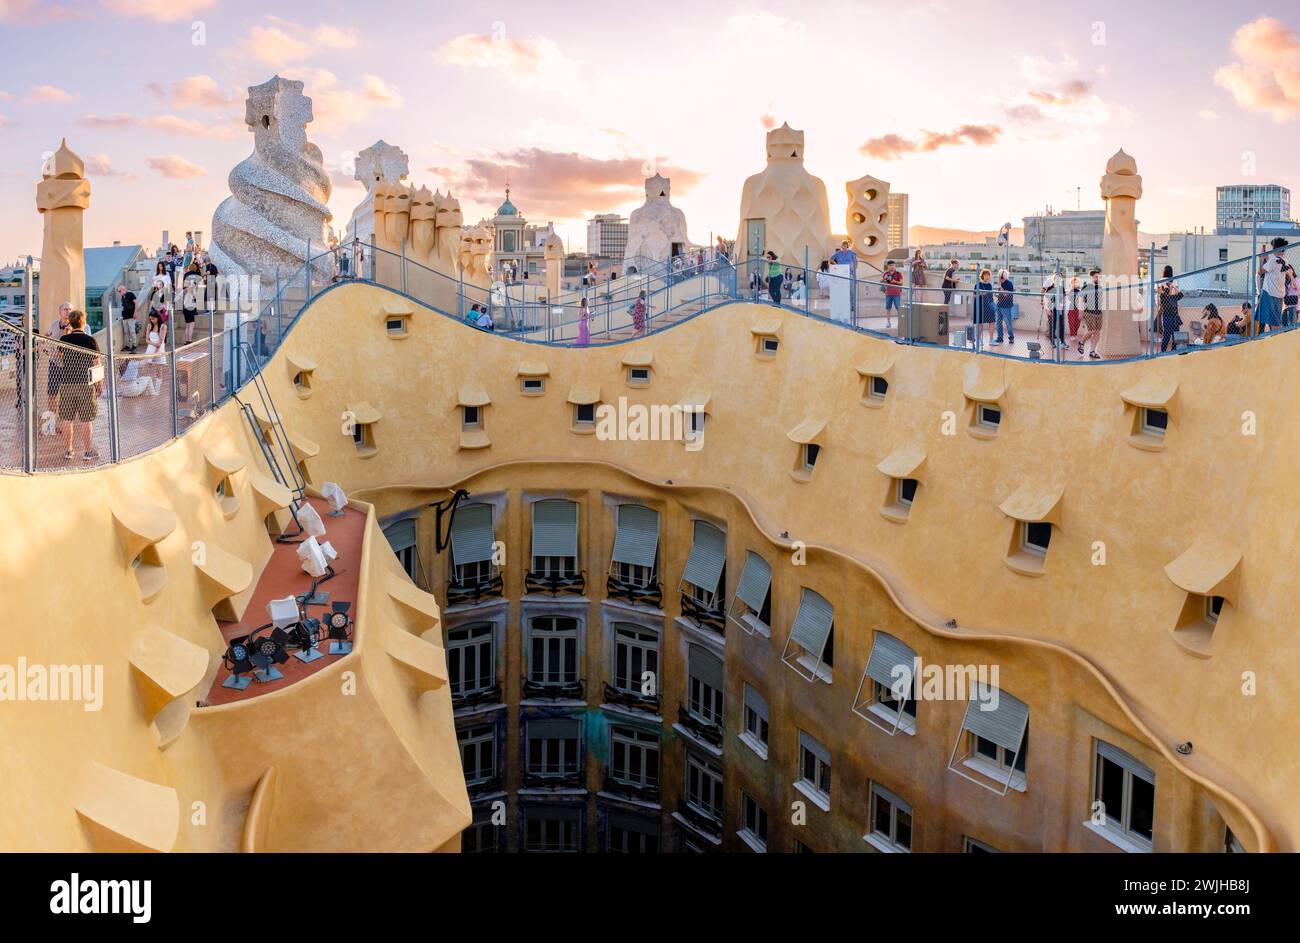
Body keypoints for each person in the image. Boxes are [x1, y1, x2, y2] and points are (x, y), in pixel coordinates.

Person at [57, 309, 101, 463]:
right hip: (85, 384)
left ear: (70, 321)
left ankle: (68, 450)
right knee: (86, 420)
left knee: (66, 419)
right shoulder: (90, 341)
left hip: (67, 383)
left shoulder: (63, 339)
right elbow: (96, 364)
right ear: (84, 322)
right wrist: (99, 384)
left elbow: (58, 358)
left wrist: (67, 334)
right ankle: (88, 451)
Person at [44, 301, 73, 432]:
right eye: (65, 309)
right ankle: (52, 424)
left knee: (68, 396)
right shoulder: (54, 324)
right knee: (52, 394)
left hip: (69, 366)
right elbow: (47, 334)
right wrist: (45, 341)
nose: (68, 311)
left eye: (70, 309)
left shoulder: (75, 325)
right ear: (60, 312)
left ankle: (66, 425)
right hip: (54, 364)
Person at [1255, 238, 1288, 335]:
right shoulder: (1285, 260)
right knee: (1276, 319)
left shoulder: (1273, 260)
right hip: (1279, 294)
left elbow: (1260, 271)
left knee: (1272, 321)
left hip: (1269, 293)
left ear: (1276, 248)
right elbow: (1274, 266)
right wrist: (1267, 257)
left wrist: (1261, 259)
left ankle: (1276, 340)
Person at [1157, 265, 1184, 352]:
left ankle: (1170, 350)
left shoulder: (1171, 296)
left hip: (1171, 314)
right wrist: (1169, 286)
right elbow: (1162, 293)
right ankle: (1166, 351)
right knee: (1169, 334)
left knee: (1172, 334)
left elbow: (1180, 295)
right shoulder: (1164, 294)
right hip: (1169, 314)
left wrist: (1173, 287)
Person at [1078, 268, 1103, 359]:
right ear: (1092, 277)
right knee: (1091, 330)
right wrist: (1081, 312)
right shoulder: (1087, 286)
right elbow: (1080, 299)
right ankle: (1082, 342)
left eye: (1099, 277)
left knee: (1097, 332)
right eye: (1096, 277)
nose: (1098, 278)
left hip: (1099, 313)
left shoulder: (1100, 287)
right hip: (1089, 312)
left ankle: (1092, 351)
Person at [1042, 275, 1065, 350]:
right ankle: (1052, 342)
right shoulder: (1050, 288)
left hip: (1059, 309)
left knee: (1061, 325)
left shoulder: (1062, 288)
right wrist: (1047, 309)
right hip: (1051, 309)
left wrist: (1063, 305)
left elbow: (1064, 298)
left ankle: (1062, 341)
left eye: (1060, 279)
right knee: (1052, 325)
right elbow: (1046, 299)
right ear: (1054, 280)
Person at [993, 268, 1015, 345]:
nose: (999, 279)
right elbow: (1001, 295)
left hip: (1006, 306)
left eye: (1001, 277)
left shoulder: (1009, 284)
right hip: (999, 305)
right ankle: (1000, 338)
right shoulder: (1001, 284)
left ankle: (1011, 338)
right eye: (999, 277)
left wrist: (1001, 288)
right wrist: (997, 294)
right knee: (998, 323)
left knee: (1008, 323)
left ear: (1005, 277)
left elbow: (1006, 295)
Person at [181, 261, 201, 344]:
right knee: (191, 323)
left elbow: (184, 288)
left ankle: (187, 340)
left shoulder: (185, 275)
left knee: (187, 324)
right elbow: (192, 288)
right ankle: (189, 340)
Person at [973, 268, 994, 345]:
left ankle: (991, 340)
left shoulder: (989, 285)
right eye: (985, 275)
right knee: (980, 323)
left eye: (988, 275)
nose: (987, 277)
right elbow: (974, 295)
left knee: (992, 322)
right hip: (980, 306)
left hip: (988, 306)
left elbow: (991, 296)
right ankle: (978, 340)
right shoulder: (978, 284)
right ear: (982, 276)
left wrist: (992, 304)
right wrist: (980, 294)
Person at [881, 260, 903, 328]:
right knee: (888, 308)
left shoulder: (898, 273)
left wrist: (894, 281)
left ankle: (900, 323)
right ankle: (888, 322)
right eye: (890, 265)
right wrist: (883, 280)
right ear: (888, 266)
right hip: (888, 293)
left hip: (896, 293)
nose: (892, 267)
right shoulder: (885, 274)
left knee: (898, 308)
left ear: (895, 266)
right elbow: (882, 281)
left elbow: (901, 282)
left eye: (893, 265)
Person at [117, 284, 138, 352]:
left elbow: (136, 303)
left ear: (123, 289)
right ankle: (128, 345)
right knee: (126, 332)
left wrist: (135, 313)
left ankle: (134, 345)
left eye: (120, 291)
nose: (119, 292)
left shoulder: (130, 294)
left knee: (132, 331)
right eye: (119, 291)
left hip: (131, 316)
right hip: (125, 317)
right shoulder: (122, 297)